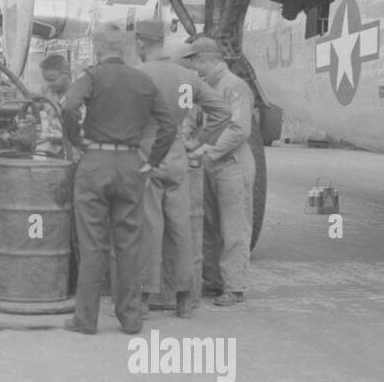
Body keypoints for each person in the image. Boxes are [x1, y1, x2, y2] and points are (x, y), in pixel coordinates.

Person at [60, 24, 176, 335]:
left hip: (95, 162)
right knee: (129, 245)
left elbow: (69, 105)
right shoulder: (143, 80)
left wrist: (78, 140)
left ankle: (85, 320)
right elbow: (168, 125)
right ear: (124, 49)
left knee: (92, 245)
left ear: (97, 49)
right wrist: (151, 161)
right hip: (130, 164)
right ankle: (130, 318)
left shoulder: (92, 76)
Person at [133, 21, 230, 318]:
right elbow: (223, 112)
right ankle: (185, 298)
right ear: (162, 41)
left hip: (146, 154)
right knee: (180, 228)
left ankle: (144, 299)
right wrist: (198, 141)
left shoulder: (138, 75)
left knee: (150, 229)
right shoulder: (186, 76)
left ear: (139, 43)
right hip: (177, 154)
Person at [178, 36, 256, 307]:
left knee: (233, 226)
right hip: (209, 163)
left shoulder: (235, 86)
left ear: (204, 59)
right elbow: (190, 118)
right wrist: (187, 141)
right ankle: (213, 280)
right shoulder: (202, 87)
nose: (193, 68)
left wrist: (206, 151)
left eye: (195, 61)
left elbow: (239, 129)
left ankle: (234, 286)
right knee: (209, 225)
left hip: (231, 163)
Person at [34, 53, 72, 158]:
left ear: (66, 74)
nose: (48, 84)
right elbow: (32, 109)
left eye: (52, 80)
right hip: (52, 152)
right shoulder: (46, 91)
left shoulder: (79, 94)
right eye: (46, 80)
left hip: (73, 152)